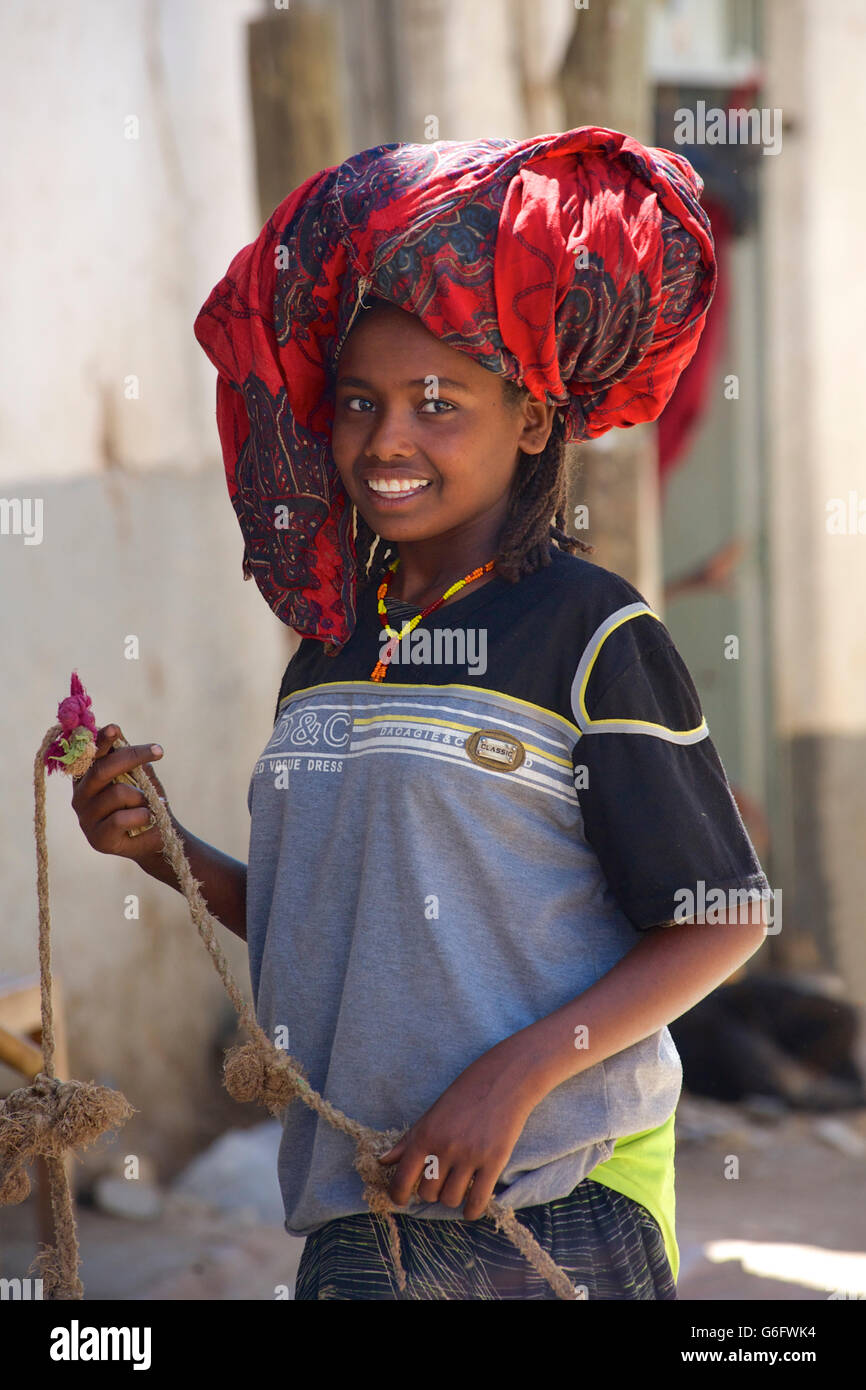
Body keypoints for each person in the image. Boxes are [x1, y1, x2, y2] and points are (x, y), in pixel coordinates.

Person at [71, 127, 772, 1300]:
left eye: (436, 402)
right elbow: (342, 923)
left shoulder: (588, 631)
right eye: (358, 403)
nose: (385, 439)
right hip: (361, 1203)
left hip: (554, 1198)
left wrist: (509, 1080)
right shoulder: (332, 649)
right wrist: (168, 854)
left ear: (534, 419)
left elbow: (720, 916)